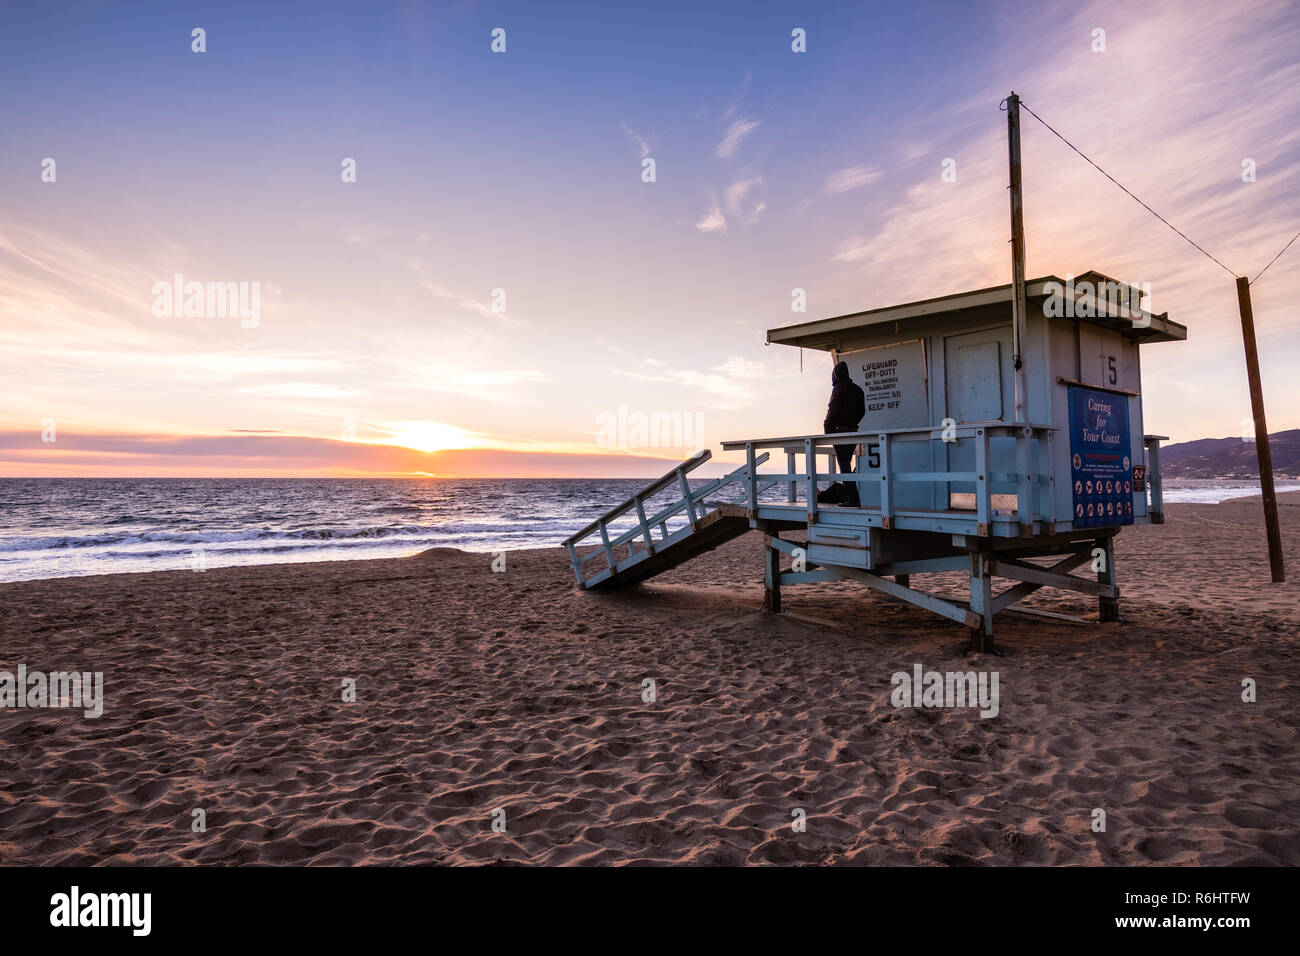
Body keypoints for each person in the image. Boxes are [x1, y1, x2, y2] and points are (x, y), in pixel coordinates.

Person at [823, 359, 865, 507]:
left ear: (835, 375)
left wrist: (828, 430)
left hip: (840, 431)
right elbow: (862, 412)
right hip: (854, 430)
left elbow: (832, 411)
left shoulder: (839, 389)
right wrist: (852, 424)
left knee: (844, 465)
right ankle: (852, 497)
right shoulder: (858, 389)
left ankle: (853, 499)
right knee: (846, 463)